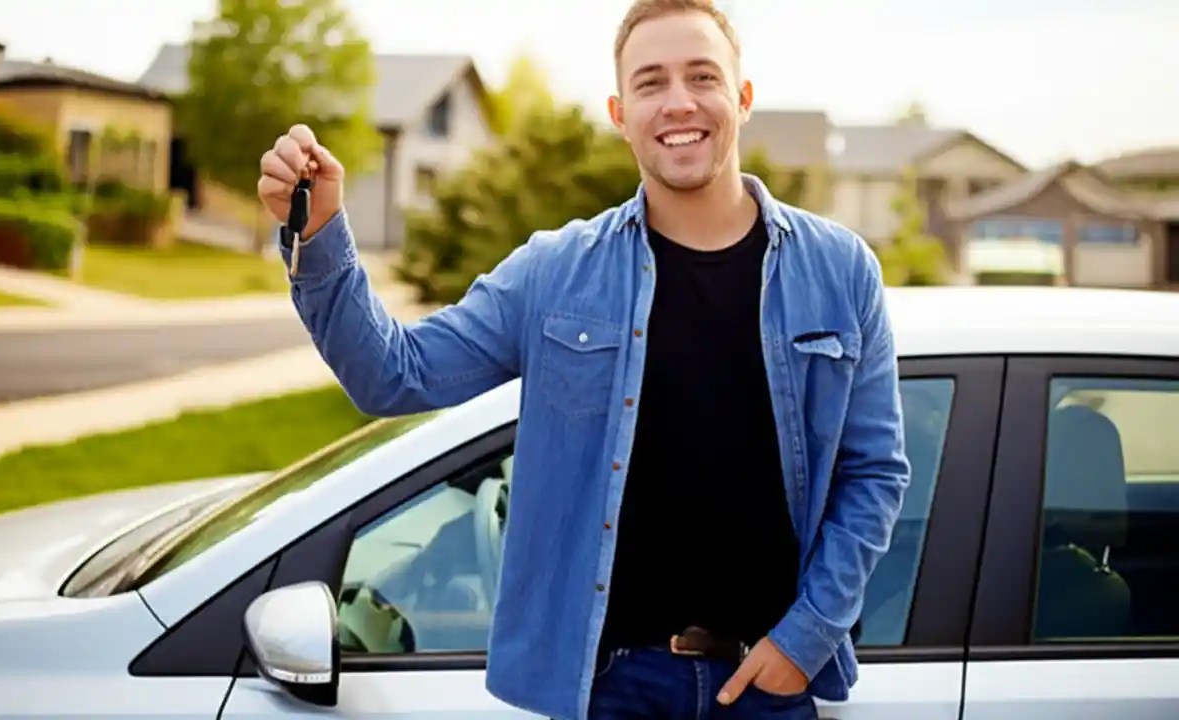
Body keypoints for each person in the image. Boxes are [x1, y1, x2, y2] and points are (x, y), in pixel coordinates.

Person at [256, 0, 909, 717]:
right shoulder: (556, 272)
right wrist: (320, 238)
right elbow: (395, 373)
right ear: (619, 112)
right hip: (611, 689)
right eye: (651, 83)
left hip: (765, 684)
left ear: (743, 98)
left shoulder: (841, 271)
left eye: (703, 76)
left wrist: (804, 641)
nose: (678, 102)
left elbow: (873, 473)